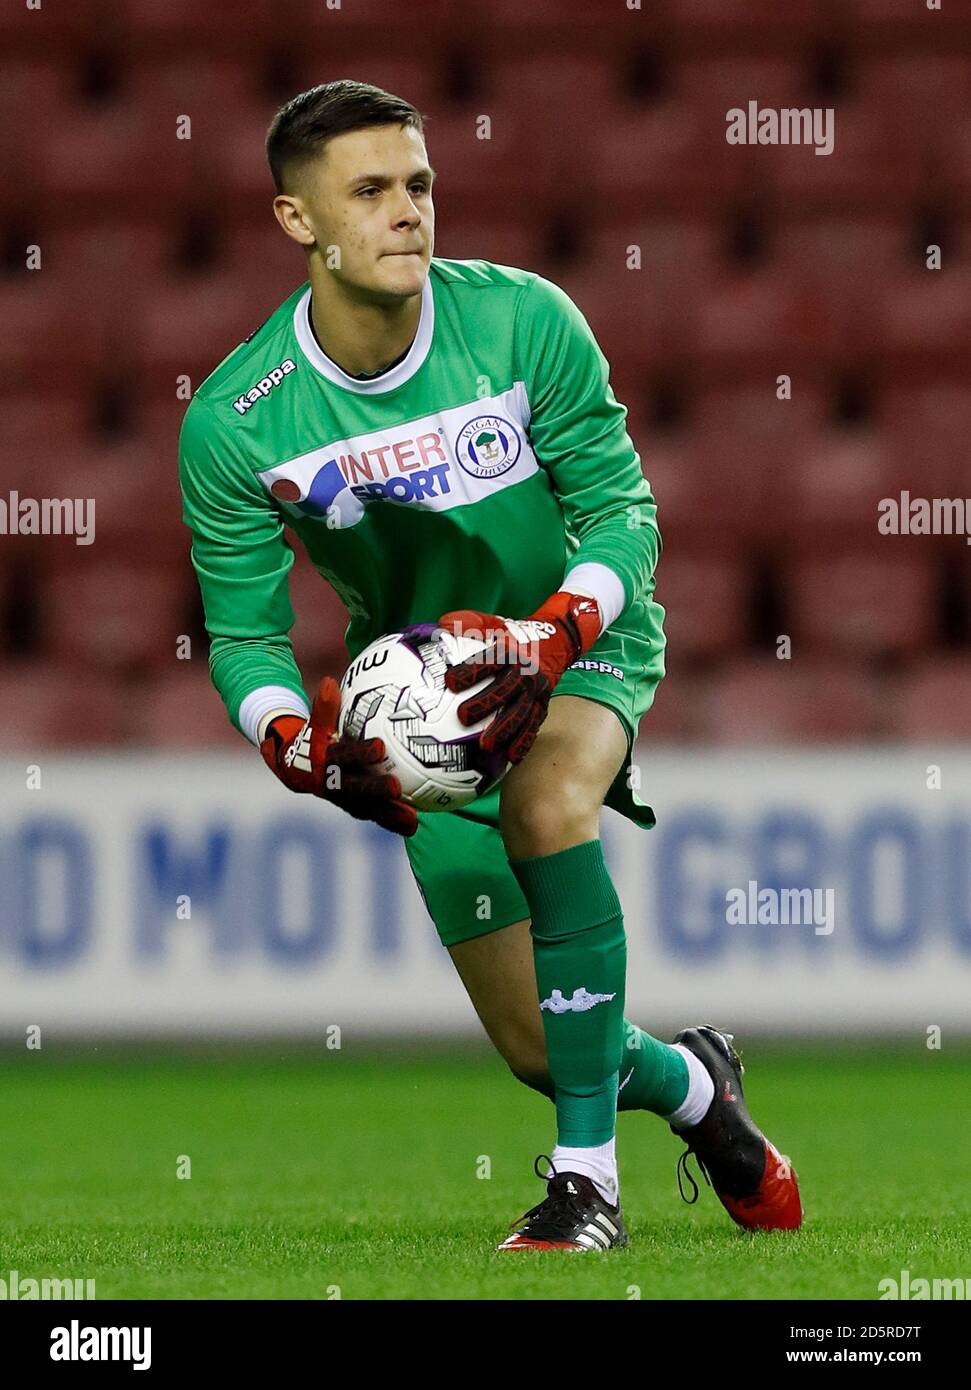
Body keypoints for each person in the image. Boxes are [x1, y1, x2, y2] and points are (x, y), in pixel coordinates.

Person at [178, 79, 801, 1249]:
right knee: (540, 1046)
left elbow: (623, 512)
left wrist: (553, 632)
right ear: (295, 221)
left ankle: (583, 1188)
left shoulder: (523, 322)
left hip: (580, 633)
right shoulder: (236, 421)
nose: (407, 210)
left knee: (546, 797)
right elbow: (249, 640)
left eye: (417, 183)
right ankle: (700, 1090)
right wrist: (298, 747)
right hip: (426, 704)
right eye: (368, 191)